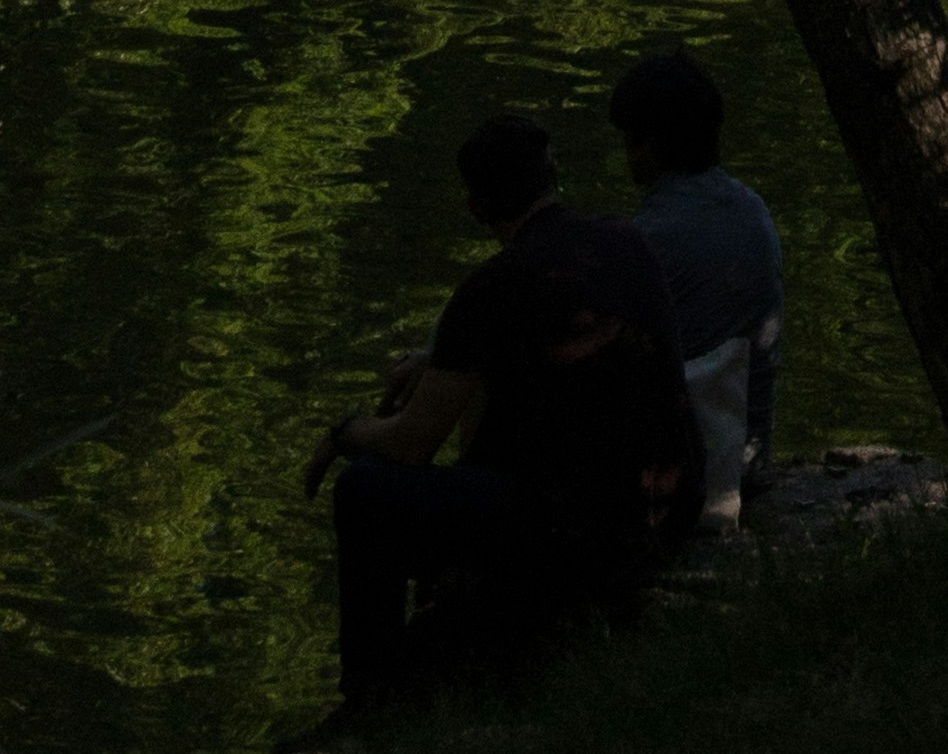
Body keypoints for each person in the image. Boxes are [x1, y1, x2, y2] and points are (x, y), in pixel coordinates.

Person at [289, 111, 696, 725]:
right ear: (553, 177)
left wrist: (344, 433)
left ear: (476, 208)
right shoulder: (625, 242)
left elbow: (408, 444)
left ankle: (370, 699)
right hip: (668, 507)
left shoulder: (492, 286)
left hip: (586, 534)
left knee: (366, 491)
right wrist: (439, 360)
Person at [608, 43, 785, 527]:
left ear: (648, 144)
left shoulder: (647, 239)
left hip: (687, 470)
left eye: (628, 140)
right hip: (747, 450)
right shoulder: (752, 209)